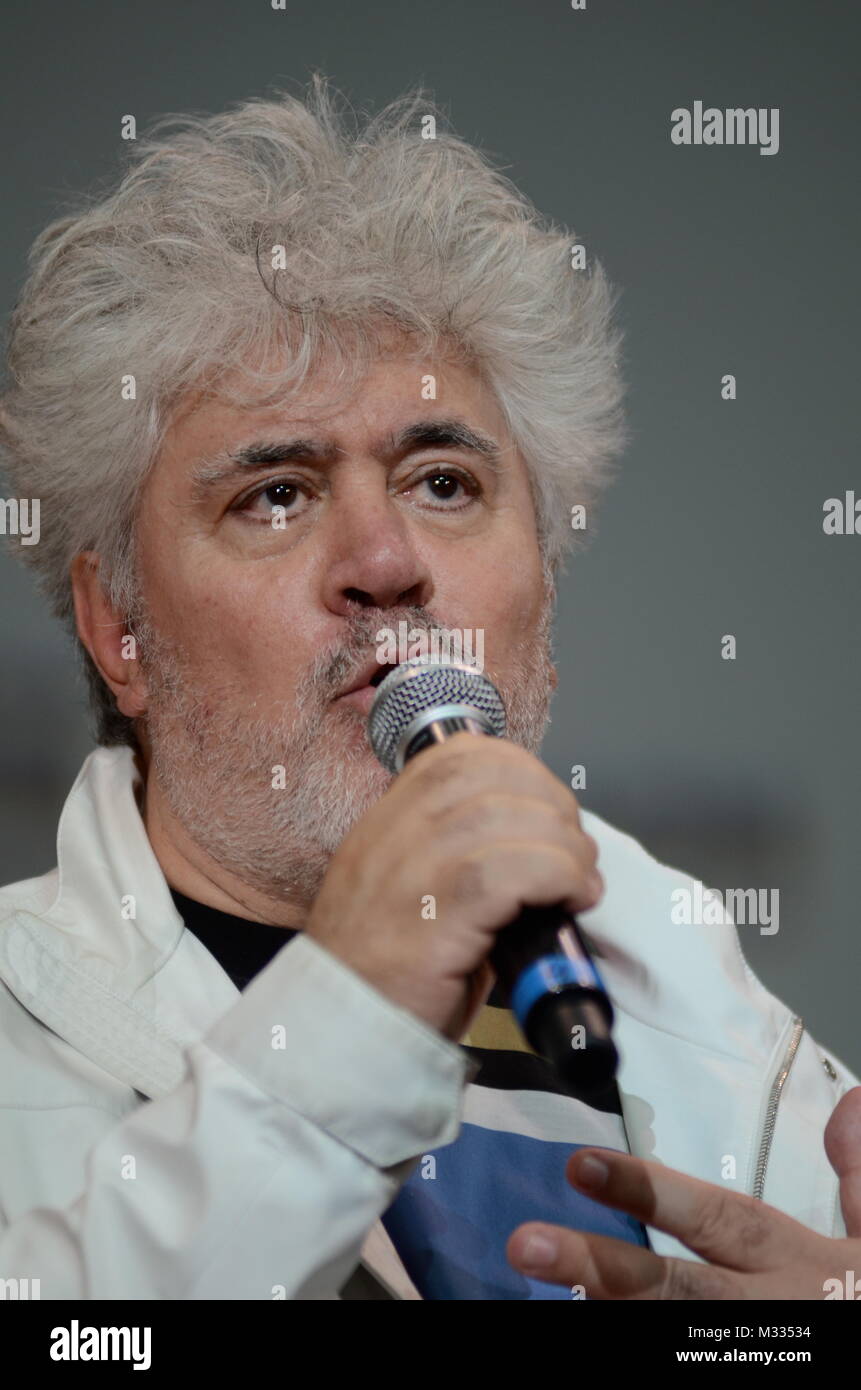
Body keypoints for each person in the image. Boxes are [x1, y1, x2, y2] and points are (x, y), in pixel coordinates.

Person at [0, 78, 855, 1300]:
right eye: (276, 495)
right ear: (117, 628)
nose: (387, 565)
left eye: (444, 482)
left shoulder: (726, 1028)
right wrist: (349, 1014)